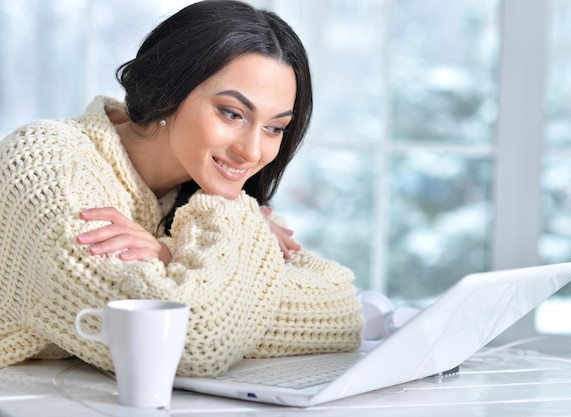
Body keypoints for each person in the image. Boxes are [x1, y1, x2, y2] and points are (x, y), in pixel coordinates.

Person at [0, 0, 362, 377]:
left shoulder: (204, 193)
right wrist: (233, 251)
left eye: (275, 128)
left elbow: (343, 309)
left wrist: (171, 256)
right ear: (168, 91)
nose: (252, 152)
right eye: (231, 113)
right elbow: (188, 340)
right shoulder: (45, 165)